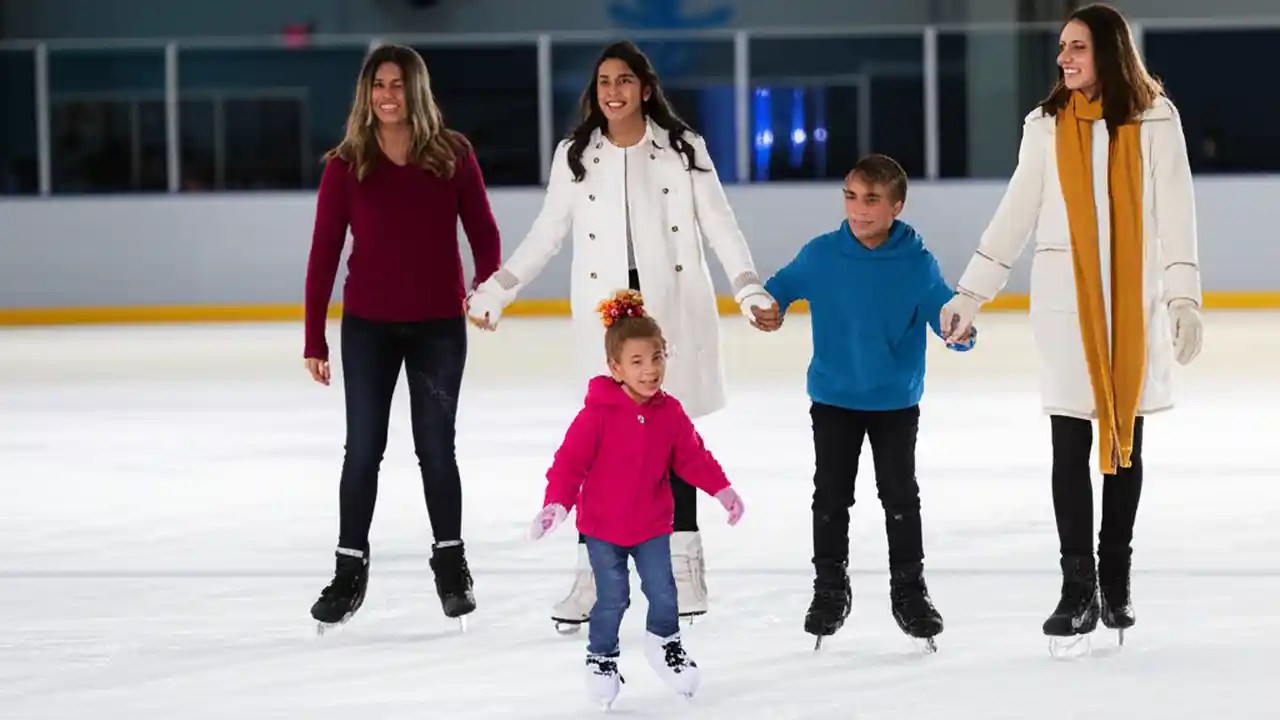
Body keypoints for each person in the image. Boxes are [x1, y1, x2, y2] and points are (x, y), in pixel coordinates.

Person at [466, 40, 772, 630]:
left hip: (671, 311)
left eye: (625, 79)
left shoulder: (683, 150)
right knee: (602, 446)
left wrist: (749, 286)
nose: (614, 90)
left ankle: (685, 565)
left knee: (673, 437)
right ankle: (591, 573)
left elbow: (720, 225)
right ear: (595, 91)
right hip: (606, 320)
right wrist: (496, 289)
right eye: (604, 80)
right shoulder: (576, 155)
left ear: (645, 89)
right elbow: (547, 233)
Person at [938, 3, 1204, 650]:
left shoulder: (1154, 119)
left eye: (1077, 47)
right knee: (1068, 442)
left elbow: (1176, 210)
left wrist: (1184, 296)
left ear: (1110, 51)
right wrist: (972, 291)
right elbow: (1017, 212)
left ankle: (1116, 580)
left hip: (1131, 304)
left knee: (1126, 441)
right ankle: (1075, 588)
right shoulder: (1047, 125)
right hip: (1066, 305)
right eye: (1062, 46)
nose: (1064, 57)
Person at [302, 44, 502, 631]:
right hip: (368, 329)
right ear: (367, 93)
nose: (387, 95)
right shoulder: (346, 163)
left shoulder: (453, 155)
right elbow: (323, 255)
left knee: (436, 449)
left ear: (416, 89)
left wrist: (485, 292)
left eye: (397, 84)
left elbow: (484, 234)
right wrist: (314, 336)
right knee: (363, 450)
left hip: (439, 328)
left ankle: (450, 565)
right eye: (378, 85)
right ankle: (348, 572)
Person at [752, 154, 975, 652]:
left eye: (872, 199)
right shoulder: (822, 254)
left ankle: (909, 591)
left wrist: (960, 333)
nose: (859, 209)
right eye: (851, 196)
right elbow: (778, 289)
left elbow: (944, 312)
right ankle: (829, 588)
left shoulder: (916, 263)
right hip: (833, 397)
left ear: (896, 205)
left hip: (895, 401)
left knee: (900, 496)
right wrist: (767, 308)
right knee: (830, 496)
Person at [529, 289, 745, 709]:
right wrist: (556, 504)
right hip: (602, 528)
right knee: (613, 597)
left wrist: (722, 489)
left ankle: (665, 642)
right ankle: (601, 656)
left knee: (665, 593)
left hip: (650, 526)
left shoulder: (671, 413)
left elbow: (693, 458)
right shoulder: (596, 415)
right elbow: (568, 464)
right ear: (615, 368)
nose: (651, 371)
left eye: (658, 358)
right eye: (638, 362)